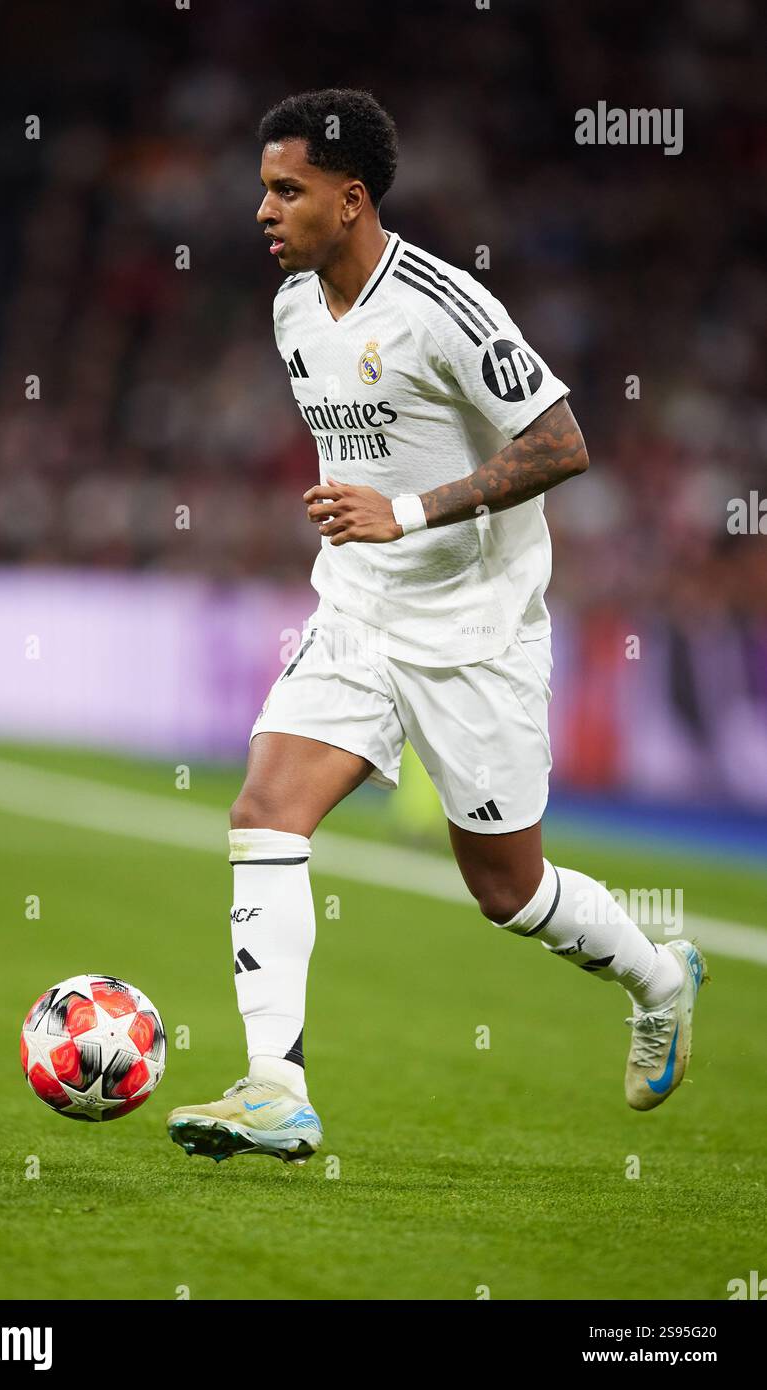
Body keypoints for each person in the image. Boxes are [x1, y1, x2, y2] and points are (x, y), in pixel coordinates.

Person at [167, 89, 707, 1166]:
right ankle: (277, 1085)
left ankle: (656, 976)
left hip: (477, 633)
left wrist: (404, 513)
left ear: (350, 197)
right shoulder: (290, 309)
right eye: (261, 190)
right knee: (266, 809)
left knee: (506, 889)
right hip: (360, 611)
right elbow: (366, 447)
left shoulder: (443, 305)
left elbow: (560, 444)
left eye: (287, 190)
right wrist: (358, 519)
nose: (263, 211)